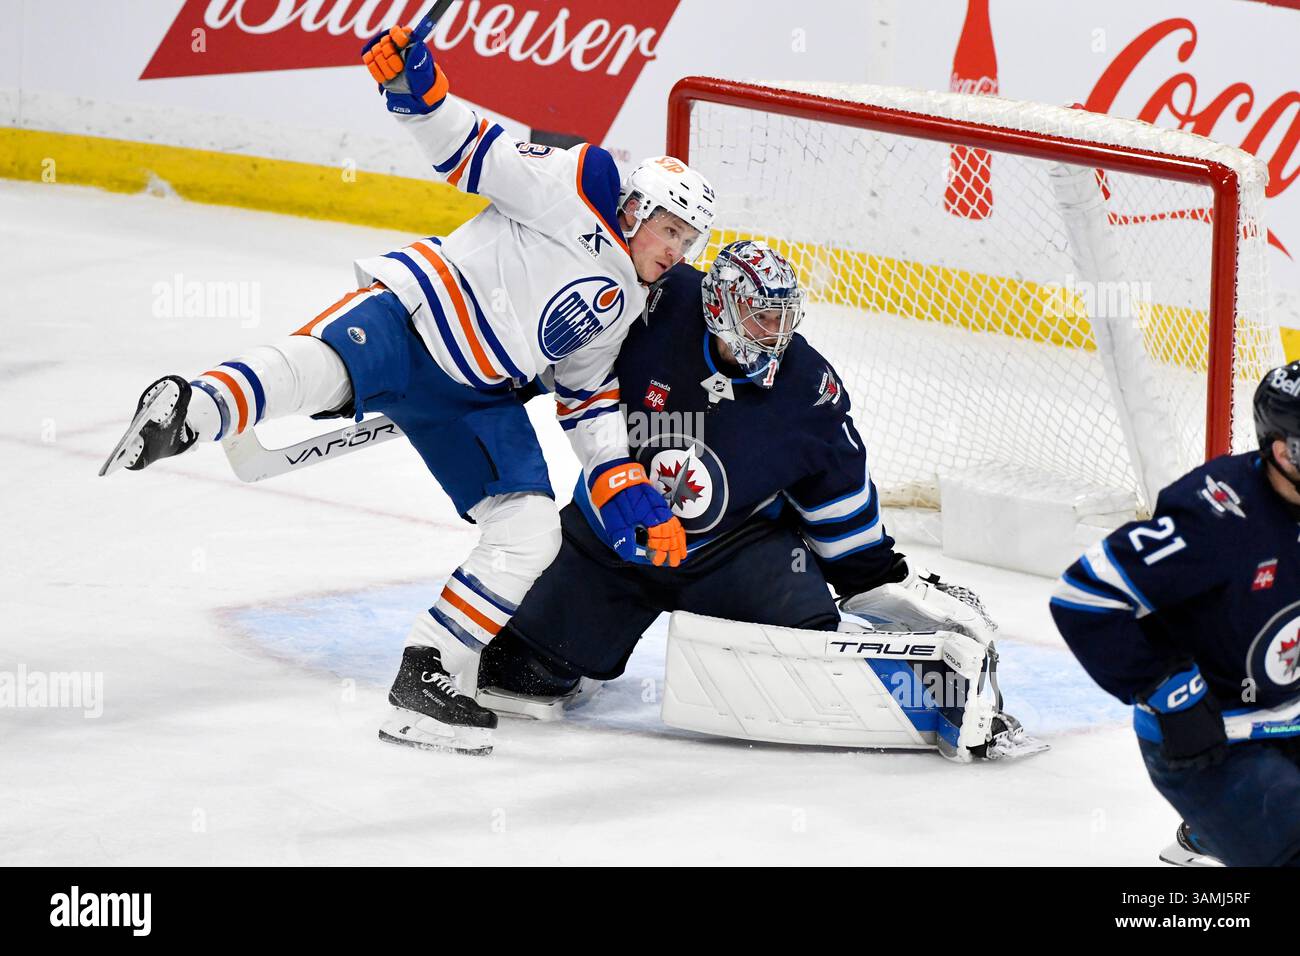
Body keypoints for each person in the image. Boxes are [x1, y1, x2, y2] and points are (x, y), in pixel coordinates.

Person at [98, 16, 715, 756]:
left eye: (688, 241)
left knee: (530, 530)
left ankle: (428, 678)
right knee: (317, 366)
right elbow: (473, 152)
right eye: (671, 230)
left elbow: (584, 394)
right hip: (421, 316)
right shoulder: (578, 184)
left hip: (479, 398)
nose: (677, 252)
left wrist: (616, 478)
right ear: (639, 209)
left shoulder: (626, 303)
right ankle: (191, 411)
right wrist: (418, 90)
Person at [474, 240, 1014, 759]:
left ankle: (922, 685)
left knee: (813, 657)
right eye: (761, 316)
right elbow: (560, 354)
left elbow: (837, 495)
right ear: (719, 309)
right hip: (616, 538)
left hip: (738, 553)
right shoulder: (654, 304)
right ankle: (579, 649)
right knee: (516, 679)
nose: (776, 333)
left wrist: (875, 576)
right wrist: (466, 386)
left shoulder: (807, 387)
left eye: (783, 316)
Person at [1050, 361, 1300, 866]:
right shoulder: (1217, 518)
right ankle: (1224, 819)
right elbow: (1084, 596)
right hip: (1213, 740)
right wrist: (1172, 692)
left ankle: (1216, 830)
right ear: (1283, 451)